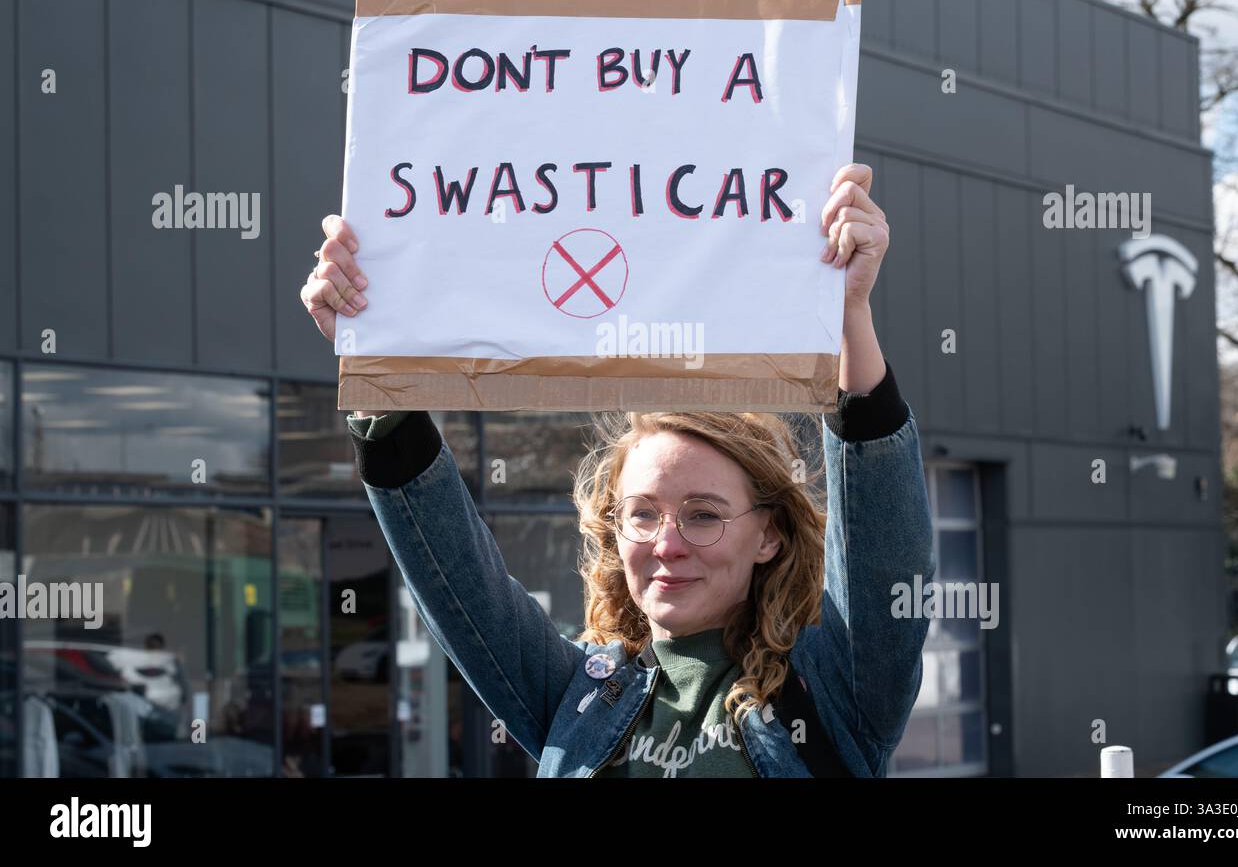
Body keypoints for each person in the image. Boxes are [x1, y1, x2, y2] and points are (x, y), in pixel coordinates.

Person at [301, 163, 935, 777]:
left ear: (768, 534)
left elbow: (884, 550)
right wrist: (375, 360)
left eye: (704, 515)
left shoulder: (834, 688)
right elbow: (454, 578)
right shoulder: (573, 694)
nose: (667, 544)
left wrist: (849, 310)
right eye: (642, 514)